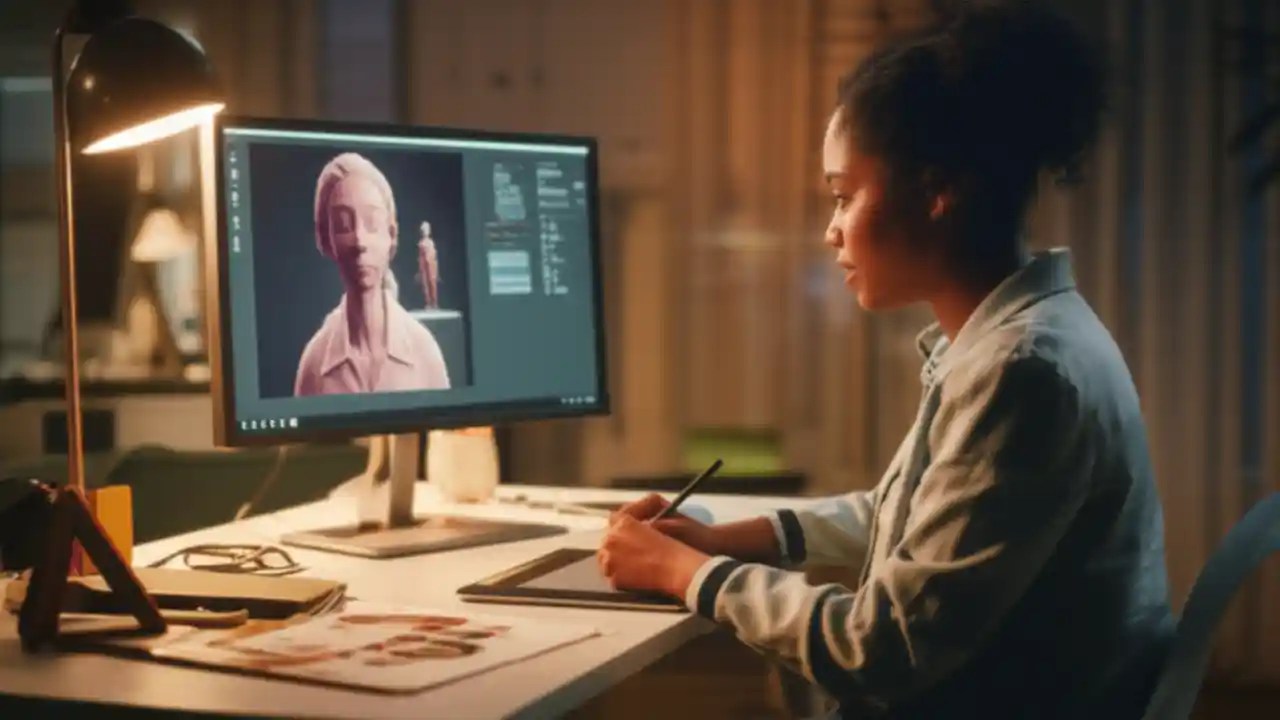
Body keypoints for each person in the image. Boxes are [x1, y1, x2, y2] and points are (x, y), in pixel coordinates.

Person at [597, 2, 1175, 718]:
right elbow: (910, 514)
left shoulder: (1024, 371)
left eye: (843, 196)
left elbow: (885, 648)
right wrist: (728, 540)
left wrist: (688, 573)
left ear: (938, 190)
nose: (833, 230)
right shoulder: (1029, 336)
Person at [295, 152, 450, 396]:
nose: (359, 240)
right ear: (326, 240)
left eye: (372, 222)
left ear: (391, 234)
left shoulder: (424, 350)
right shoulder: (315, 362)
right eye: (344, 225)